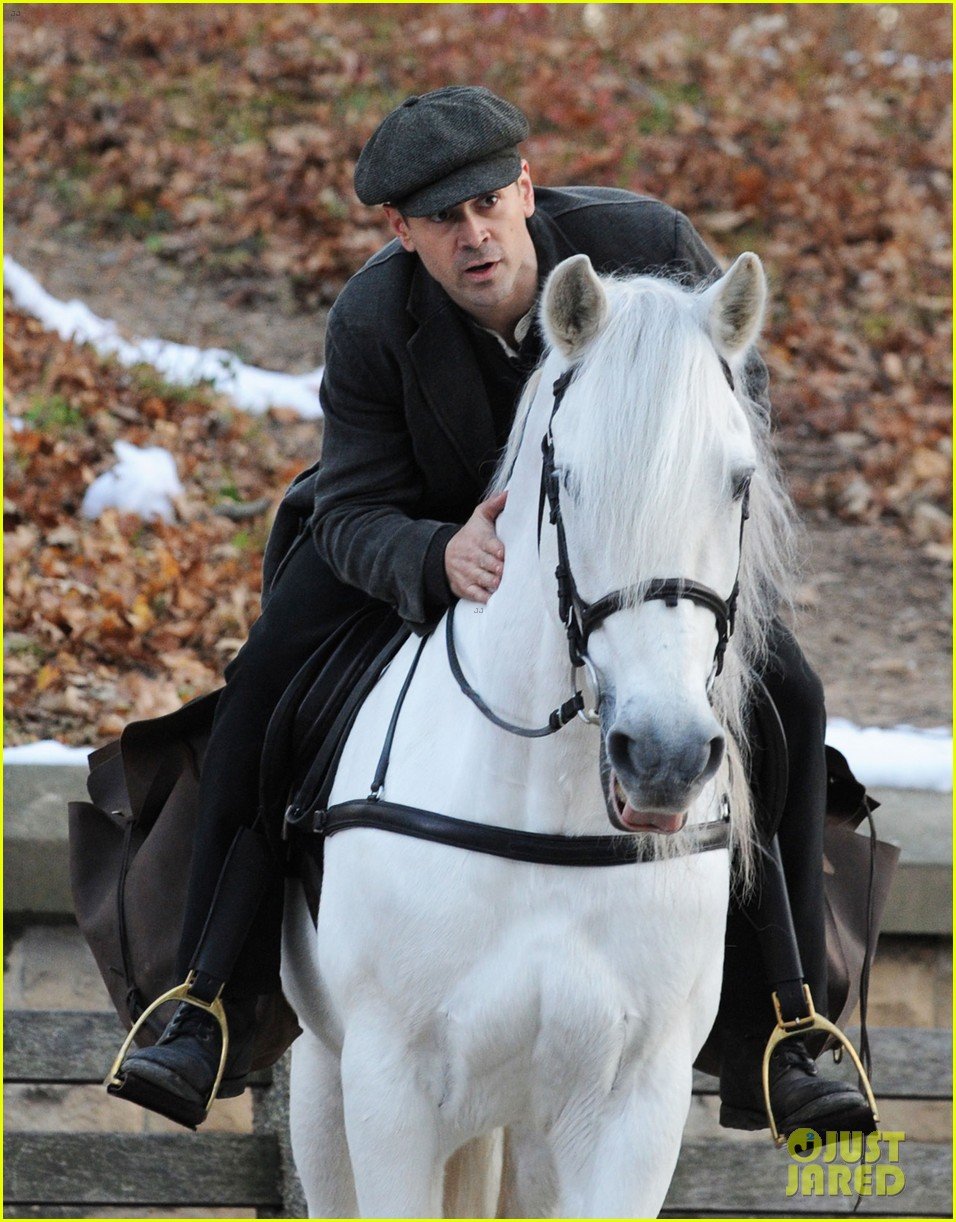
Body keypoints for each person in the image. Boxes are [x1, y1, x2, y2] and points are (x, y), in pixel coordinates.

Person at [113, 86, 871, 1136]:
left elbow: (723, 423)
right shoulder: (374, 318)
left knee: (788, 690)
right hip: (428, 532)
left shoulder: (646, 246)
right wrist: (438, 551)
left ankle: (795, 1020)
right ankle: (197, 995)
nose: (472, 234)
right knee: (262, 691)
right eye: (439, 219)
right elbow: (349, 507)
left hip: (628, 545)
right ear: (400, 231)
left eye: (485, 202)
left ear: (523, 185)